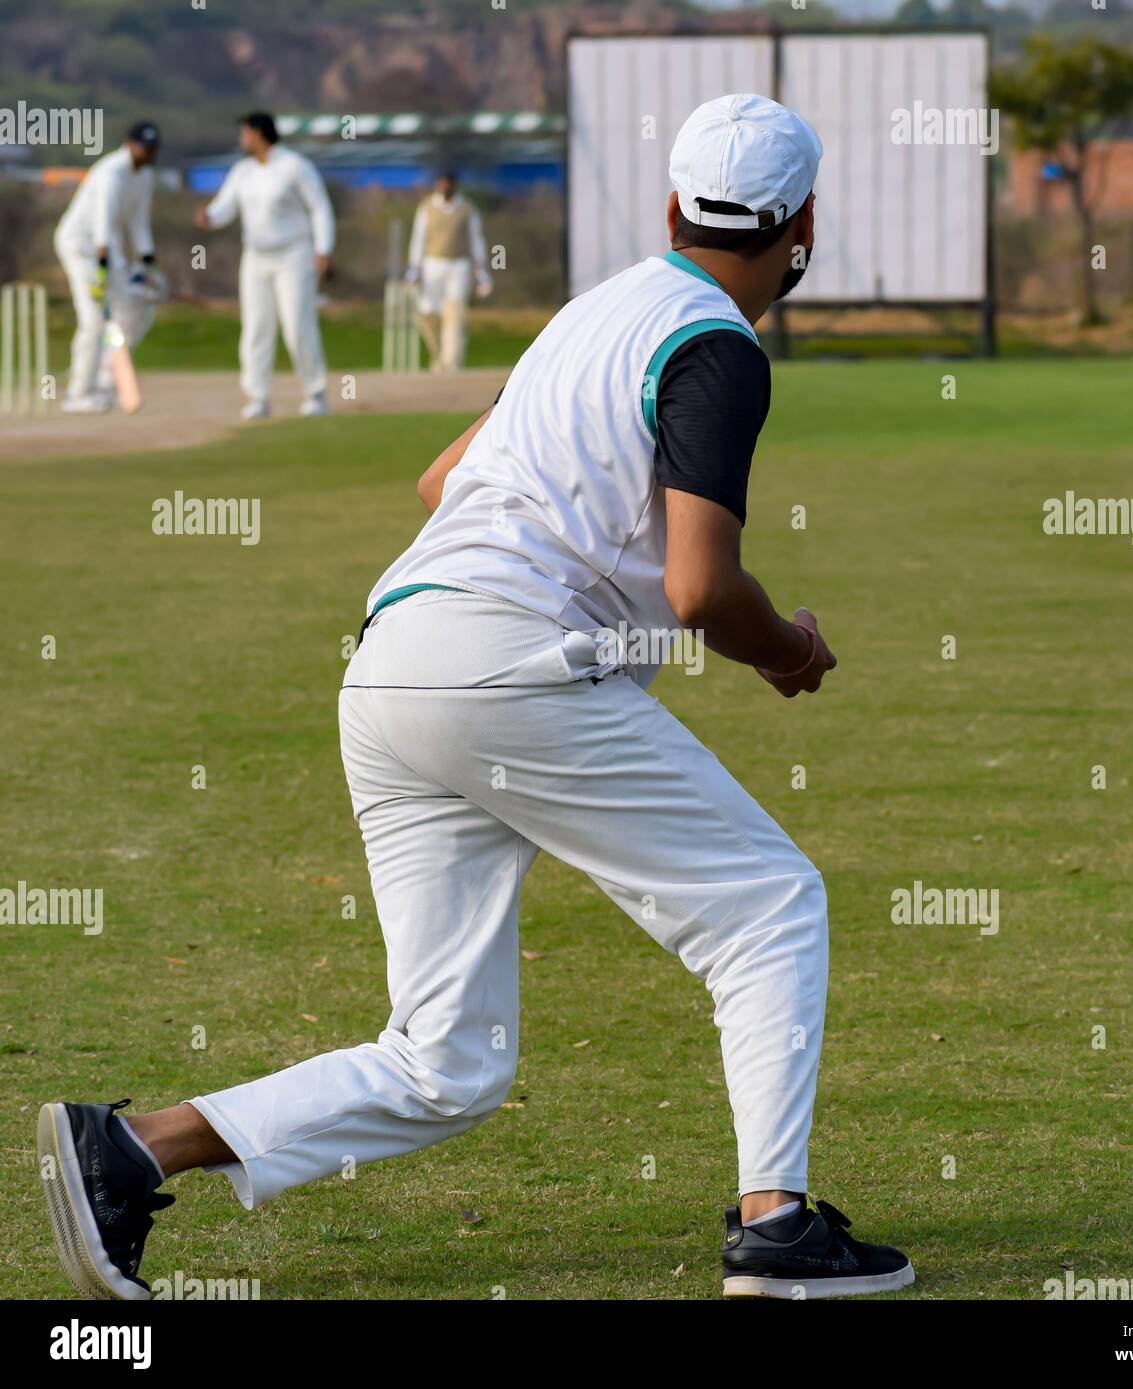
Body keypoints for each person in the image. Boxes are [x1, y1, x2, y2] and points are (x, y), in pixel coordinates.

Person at [38, 94, 915, 1303]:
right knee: (768, 906)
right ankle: (773, 1227)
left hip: (391, 658)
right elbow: (703, 587)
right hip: (508, 670)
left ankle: (127, 1152)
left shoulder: (590, 313)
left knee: (447, 1062)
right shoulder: (715, 344)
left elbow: (439, 476)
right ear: (803, 226)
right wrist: (785, 650)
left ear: (671, 209)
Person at [195, 113, 334, 418]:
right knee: (256, 327)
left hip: (294, 255)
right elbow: (225, 206)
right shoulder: (242, 171)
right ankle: (257, 397)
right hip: (256, 257)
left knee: (297, 326)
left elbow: (320, 208)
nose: (242, 139)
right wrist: (210, 217)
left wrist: (324, 250)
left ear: (259, 134)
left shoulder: (295, 167)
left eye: (245, 133)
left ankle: (315, 394)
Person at [52, 121, 162, 414]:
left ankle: (105, 382)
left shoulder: (146, 176)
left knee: (135, 307)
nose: (147, 153)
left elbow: (138, 223)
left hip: (106, 249)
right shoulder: (111, 172)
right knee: (93, 320)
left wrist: (149, 265)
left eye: (152, 149)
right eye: (143, 147)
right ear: (130, 143)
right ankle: (77, 394)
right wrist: (101, 270)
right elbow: (103, 218)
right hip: (80, 246)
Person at [405, 171, 492, 372]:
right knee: (428, 312)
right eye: (442, 184)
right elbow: (419, 238)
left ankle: (452, 360)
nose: (445, 188)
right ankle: (438, 355)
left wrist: (481, 271)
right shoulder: (426, 207)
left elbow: (476, 239)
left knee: (455, 313)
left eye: (449, 184)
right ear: (437, 185)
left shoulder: (466, 208)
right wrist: (414, 267)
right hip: (432, 264)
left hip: (458, 265)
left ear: (454, 185)